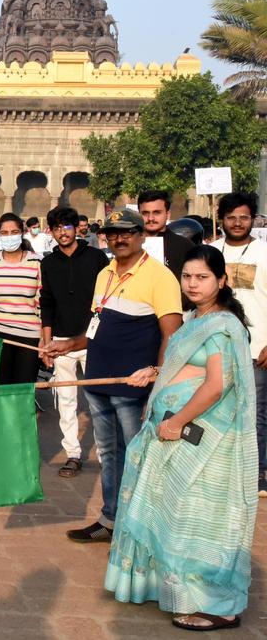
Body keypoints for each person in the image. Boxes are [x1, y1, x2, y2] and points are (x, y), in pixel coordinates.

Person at [105, 245, 258, 631]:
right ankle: (173, 588)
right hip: (173, 431)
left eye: (202, 277)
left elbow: (217, 385)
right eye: (187, 276)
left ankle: (218, 605)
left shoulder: (223, 325)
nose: (192, 283)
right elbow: (188, 367)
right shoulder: (195, 319)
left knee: (198, 520)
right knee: (169, 514)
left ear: (221, 281)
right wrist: (156, 372)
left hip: (204, 439)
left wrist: (177, 422)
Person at [65, 209, 182, 544]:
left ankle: (139, 528)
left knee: (137, 453)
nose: (119, 239)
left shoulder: (160, 277)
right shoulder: (105, 274)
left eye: (127, 232)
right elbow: (97, 325)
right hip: (99, 377)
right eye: (113, 233)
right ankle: (111, 518)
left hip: (133, 384)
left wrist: (159, 377)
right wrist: (69, 344)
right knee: (109, 452)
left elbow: (171, 334)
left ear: (141, 234)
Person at [39, 206, 110, 479]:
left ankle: (106, 455)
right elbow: (47, 303)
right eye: (56, 228)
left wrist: (101, 334)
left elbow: (106, 298)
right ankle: (73, 453)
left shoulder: (96, 258)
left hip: (92, 339)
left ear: (77, 228)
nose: (62, 233)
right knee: (66, 400)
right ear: (52, 231)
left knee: (97, 399)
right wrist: (47, 342)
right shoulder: (48, 262)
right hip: (60, 340)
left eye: (66, 227)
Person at [211, 192, 267, 497]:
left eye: (244, 217)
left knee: (254, 412)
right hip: (217, 346)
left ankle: (256, 472)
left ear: (253, 219)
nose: (237, 222)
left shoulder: (264, 253)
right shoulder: (209, 252)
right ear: (221, 219)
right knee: (218, 408)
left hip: (256, 347)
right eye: (231, 217)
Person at [0, 213, 42, 384]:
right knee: (0, 385)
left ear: (22, 232)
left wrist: (43, 339)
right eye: (4, 233)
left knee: (23, 387)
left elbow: (42, 302)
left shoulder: (37, 262)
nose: (9, 237)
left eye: (14, 232)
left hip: (29, 335)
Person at [138, 189, 194, 280]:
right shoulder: (130, 245)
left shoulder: (184, 246)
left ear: (167, 214)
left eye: (157, 212)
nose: (150, 218)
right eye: (145, 213)